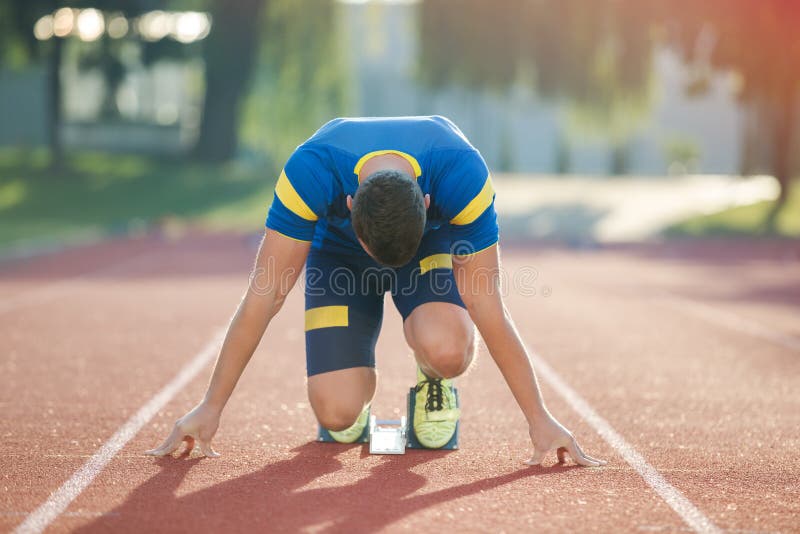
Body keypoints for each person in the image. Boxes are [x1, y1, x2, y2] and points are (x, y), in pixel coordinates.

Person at [146, 115, 605, 466]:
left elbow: (490, 308)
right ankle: (352, 393)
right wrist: (212, 406)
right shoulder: (310, 172)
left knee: (449, 348)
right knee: (336, 413)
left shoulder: (463, 176)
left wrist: (539, 419)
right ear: (347, 204)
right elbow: (263, 298)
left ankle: (433, 379)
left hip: (427, 248)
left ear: (427, 202)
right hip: (340, 256)